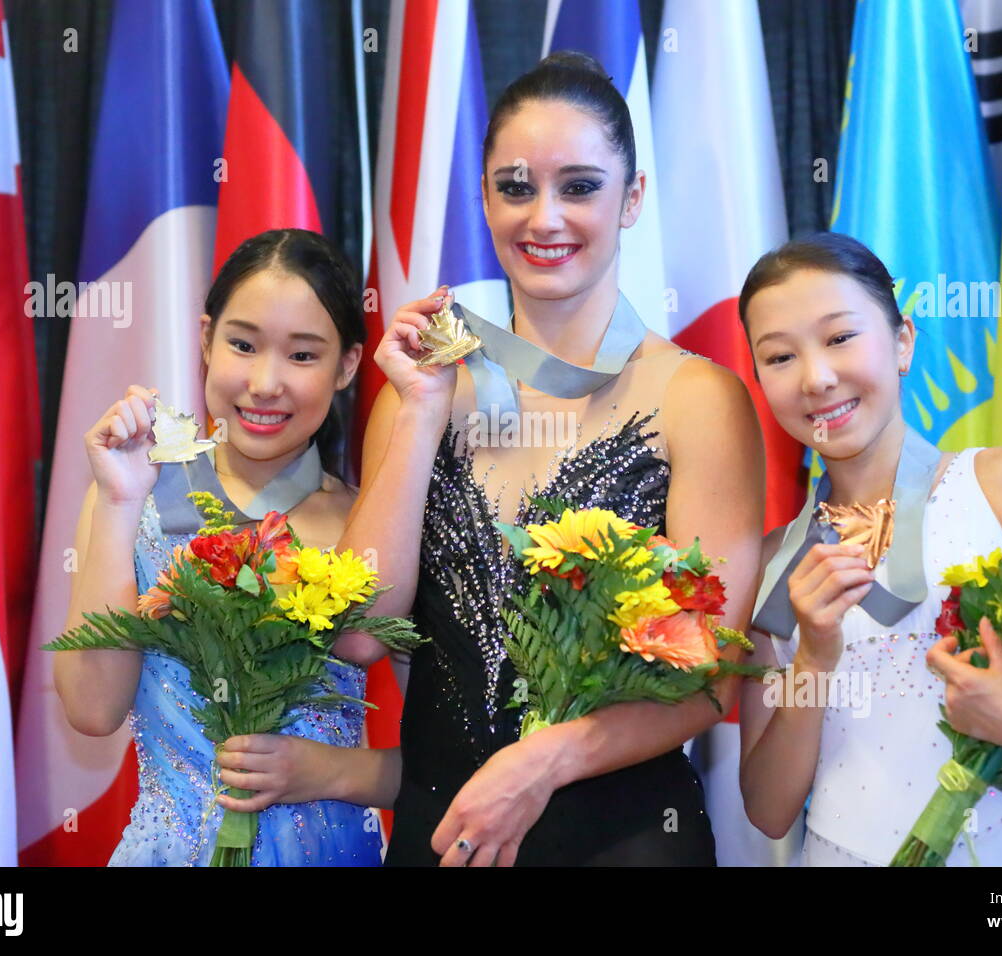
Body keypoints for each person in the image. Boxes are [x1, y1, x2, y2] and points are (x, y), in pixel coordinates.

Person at [325, 50, 766, 867]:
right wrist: (422, 415)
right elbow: (357, 635)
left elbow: (710, 679)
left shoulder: (697, 399)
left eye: (580, 186)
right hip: (446, 834)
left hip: (627, 839)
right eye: (517, 187)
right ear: (485, 198)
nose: (545, 217)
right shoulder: (418, 392)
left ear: (632, 198)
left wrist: (538, 764)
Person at [735, 232, 1002, 866]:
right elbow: (767, 808)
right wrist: (813, 662)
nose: (816, 377)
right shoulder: (772, 563)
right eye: (780, 357)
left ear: (902, 341)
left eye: (841, 338)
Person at [53, 228, 383, 865]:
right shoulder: (134, 495)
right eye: (242, 344)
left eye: (303, 356)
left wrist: (329, 772)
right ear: (205, 338)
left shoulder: (367, 527)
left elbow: (447, 755)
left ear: (347, 366)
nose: (264, 383)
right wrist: (120, 504)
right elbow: (92, 710)